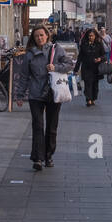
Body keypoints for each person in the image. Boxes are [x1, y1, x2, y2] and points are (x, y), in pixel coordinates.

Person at [23, 25, 73, 170]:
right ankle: (37, 158)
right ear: (33, 38)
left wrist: (55, 67)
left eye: (42, 35)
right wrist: (19, 95)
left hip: (53, 92)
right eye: (36, 36)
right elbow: (24, 76)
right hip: (35, 94)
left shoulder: (56, 49)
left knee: (52, 126)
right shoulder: (29, 54)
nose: (39, 38)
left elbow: (70, 64)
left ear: (47, 36)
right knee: (37, 126)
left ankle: (48, 155)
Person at [76, 27, 106, 106]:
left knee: (95, 85)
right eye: (89, 36)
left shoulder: (99, 44)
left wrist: (100, 59)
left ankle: (93, 98)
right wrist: (76, 68)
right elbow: (80, 57)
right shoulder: (84, 44)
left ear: (95, 36)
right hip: (86, 67)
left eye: (92, 36)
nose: (91, 37)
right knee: (87, 83)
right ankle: (88, 99)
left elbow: (104, 55)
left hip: (96, 68)